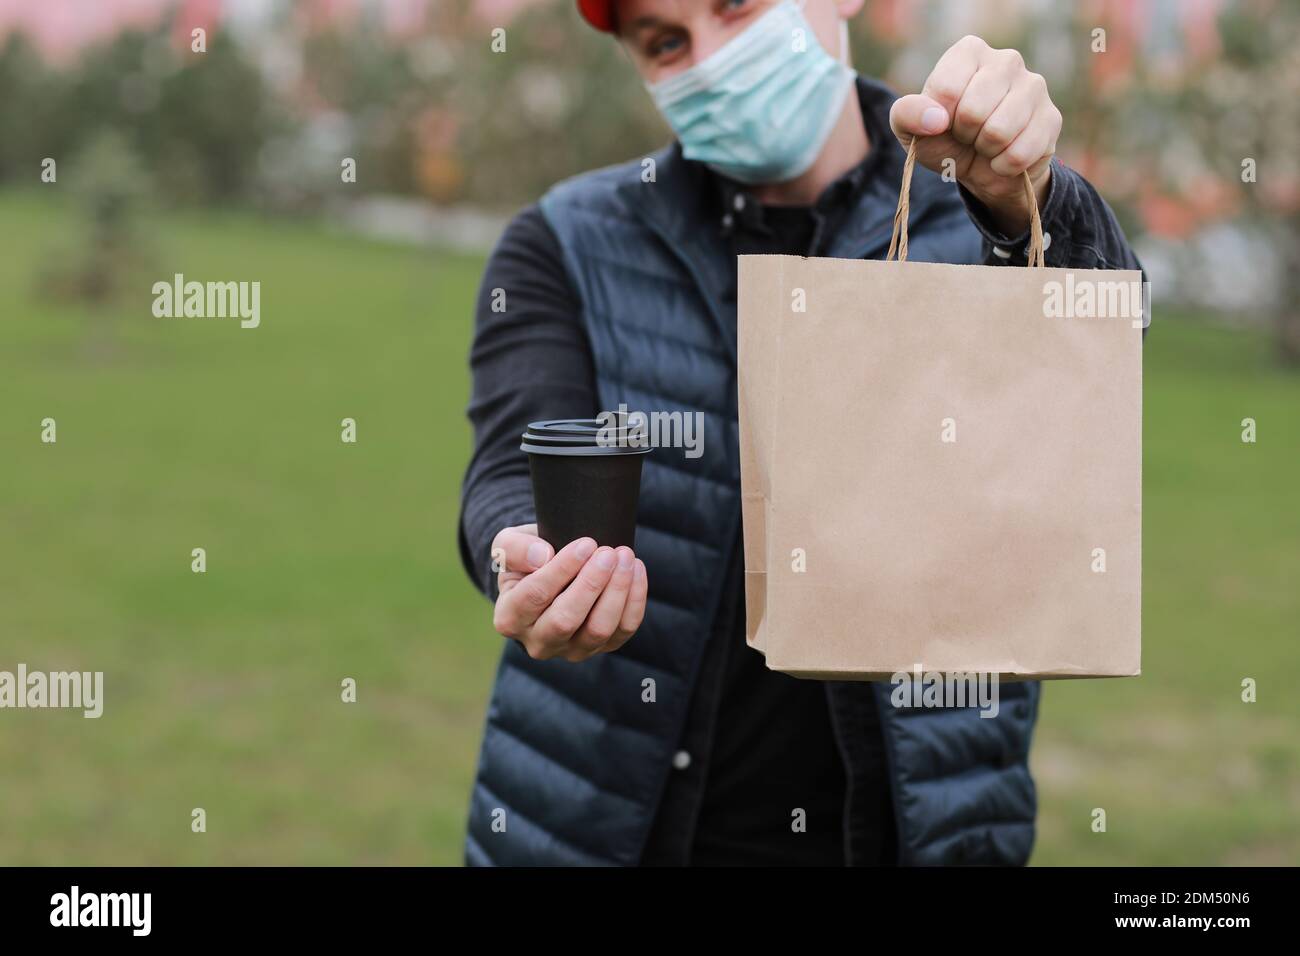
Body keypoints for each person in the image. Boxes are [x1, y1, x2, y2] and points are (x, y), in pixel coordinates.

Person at [458, 0, 1142, 866]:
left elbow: (1106, 365)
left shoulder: (974, 216)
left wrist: (1036, 200)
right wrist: (521, 551)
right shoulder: (566, 239)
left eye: (734, 6)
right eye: (665, 43)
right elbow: (512, 462)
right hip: (602, 830)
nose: (710, 60)